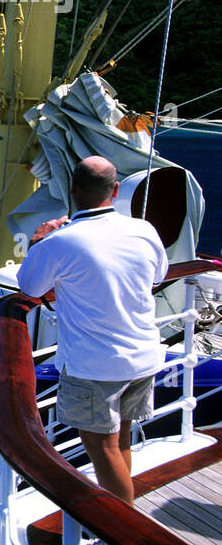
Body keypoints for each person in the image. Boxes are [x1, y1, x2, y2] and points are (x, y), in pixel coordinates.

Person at [16, 156, 168, 506]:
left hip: (95, 366)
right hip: (142, 356)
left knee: (101, 447)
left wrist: (40, 239)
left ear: (73, 189)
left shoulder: (60, 242)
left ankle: (123, 527)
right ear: (115, 190)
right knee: (120, 440)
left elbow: (29, 286)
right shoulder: (144, 230)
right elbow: (158, 275)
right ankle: (121, 513)